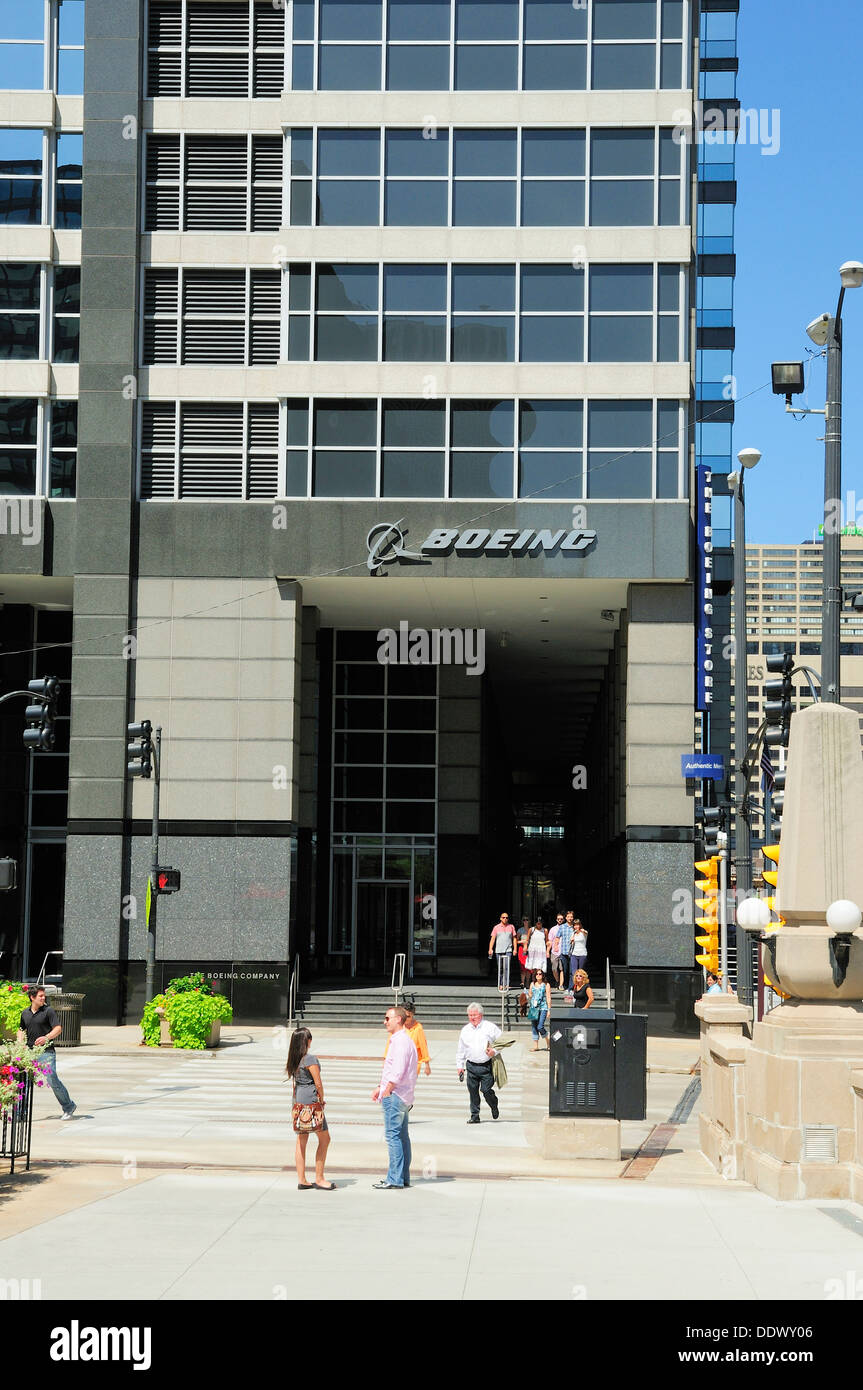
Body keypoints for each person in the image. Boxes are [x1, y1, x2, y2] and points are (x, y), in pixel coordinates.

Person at [371, 1005, 417, 1189]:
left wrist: (388, 1089)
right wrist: (380, 1087)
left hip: (396, 1095)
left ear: (398, 1019)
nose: (385, 1022)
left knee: (393, 1137)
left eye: (387, 1018)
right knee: (402, 1136)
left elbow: (397, 1071)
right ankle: (402, 1176)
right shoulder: (404, 1040)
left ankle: (395, 1178)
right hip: (403, 1095)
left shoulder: (400, 1041)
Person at [286, 1027, 335, 1190]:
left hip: (298, 1101)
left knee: (301, 1140)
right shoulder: (309, 1059)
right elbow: (318, 1083)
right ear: (307, 1041)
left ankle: (302, 1179)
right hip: (311, 1102)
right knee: (325, 1139)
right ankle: (319, 1178)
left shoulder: (294, 1059)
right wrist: (322, 1100)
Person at [18, 986, 76, 1120]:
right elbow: (21, 1030)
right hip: (29, 1053)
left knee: (52, 1079)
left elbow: (58, 1028)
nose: (44, 998)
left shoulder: (48, 1011)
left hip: (47, 1053)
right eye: (40, 996)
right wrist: (21, 1045)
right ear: (32, 998)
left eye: (44, 995)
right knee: (24, 1081)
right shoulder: (25, 1013)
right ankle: (22, 1112)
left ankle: (69, 1106)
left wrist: (47, 1037)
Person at [456, 1002, 501, 1123]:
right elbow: (461, 1049)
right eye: (470, 1015)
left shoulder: (489, 1027)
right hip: (471, 1066)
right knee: (473, 1092)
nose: (472, 1018)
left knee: (486, 1090)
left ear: (481, 1015)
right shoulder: (465, 1030)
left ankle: (493, 1104)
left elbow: (502, 1041)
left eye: (474, 1015)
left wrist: (494, 1051)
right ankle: (475, 1115)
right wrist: (460, 1066)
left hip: (486, 1066)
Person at [385, 1000, 431, 1076]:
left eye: (408, 1016)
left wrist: (427, 1065)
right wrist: (385, 1060)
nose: (406, 1019)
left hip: (413, 1065)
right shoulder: (397, 1025)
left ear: (413, 1014)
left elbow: (423, 1046)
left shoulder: (418, 1028)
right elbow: (389, 1044)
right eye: (404, 1016)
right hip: (398, 1062)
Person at [488, 911, 517, 991]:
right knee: (500, 968)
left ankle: (506, 984)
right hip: (499, 950)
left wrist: (515, 949)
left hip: (508, 950)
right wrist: (490, 948)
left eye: (507, 918)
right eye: (503, 917)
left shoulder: (511, 926)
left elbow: (514, 938)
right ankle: (501, 984)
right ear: (501, 918)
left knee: (507, 967)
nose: (505, 919)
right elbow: (493, 939)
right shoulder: (496, 927)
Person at [527, 969, 553, 1051]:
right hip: (534, 1008)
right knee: (534, 1026)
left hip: (543, 1007)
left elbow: (548, 997)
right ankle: (536, 1046)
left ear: (543, 975)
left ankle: (548, 1041)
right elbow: (530, 994)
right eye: (537, 974)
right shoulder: (532, 984)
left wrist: (549, 1009)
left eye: (540, 974)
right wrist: (529, 996)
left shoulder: (546, 985)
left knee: (540, 1026)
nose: (538, 975)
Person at [547, 913, 565, 988]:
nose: (560, 920)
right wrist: (547, 951)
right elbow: (550, 941)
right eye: (558, 919)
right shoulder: (553, 929)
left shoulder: (565, 928)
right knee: (554, 969)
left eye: (561, 919)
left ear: (563, 920)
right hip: (554, 951)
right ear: (556, 920)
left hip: (563, 951)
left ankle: (561, 985)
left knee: (562, 969)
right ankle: (557, 981)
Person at [517, 918, 531, 987]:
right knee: (522, 966)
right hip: (521, 949)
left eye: (527, 920)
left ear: (529, 921)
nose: (525, 921)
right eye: (524, 920)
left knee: (529, 967)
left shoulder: (531, 930)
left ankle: (528, 982)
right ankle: (522, 982)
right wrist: (523, 941)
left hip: (530, 949)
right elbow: (516, 941)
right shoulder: (520, 930)